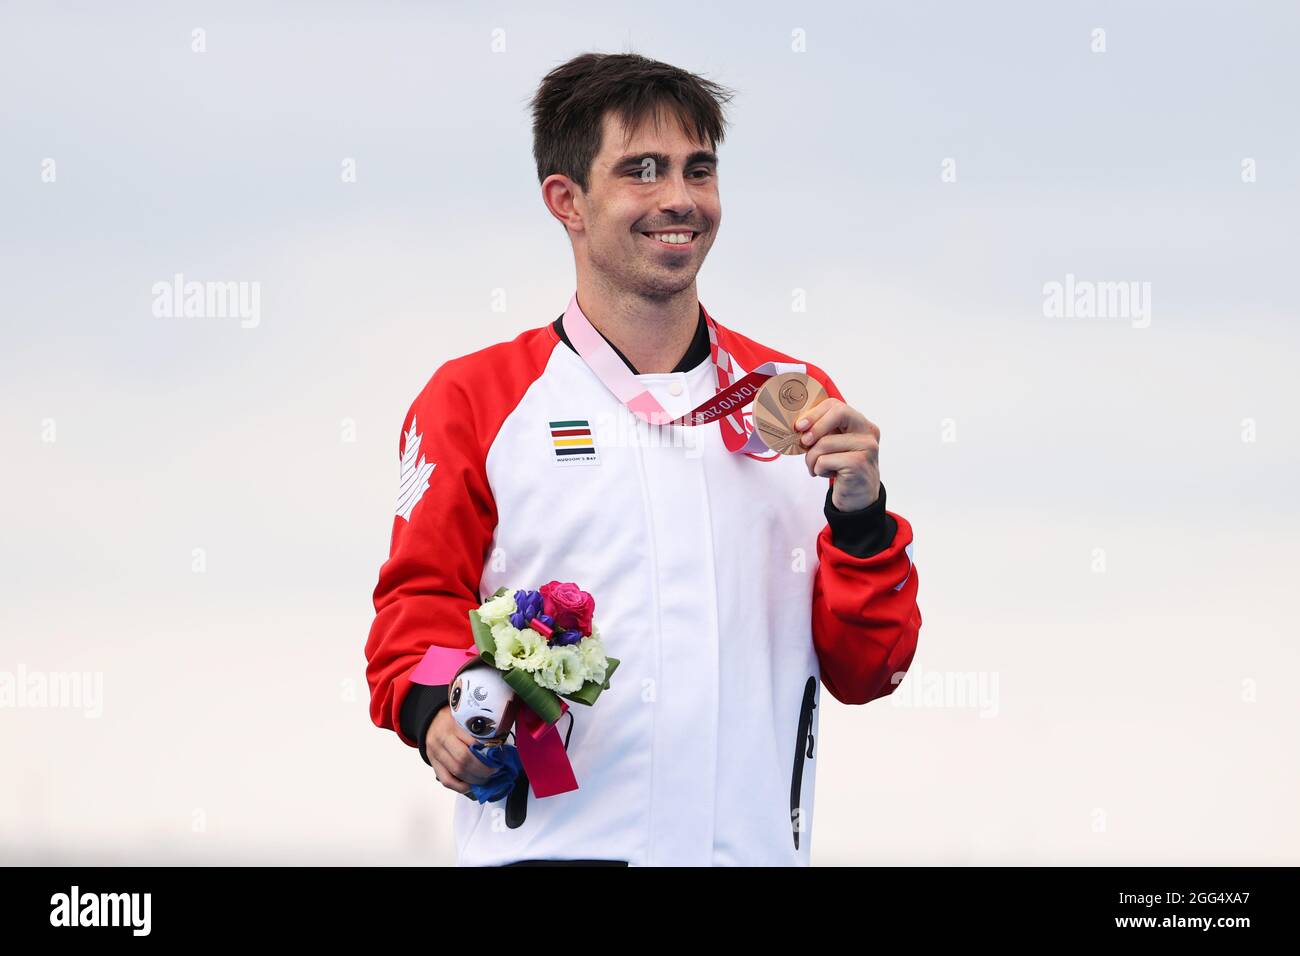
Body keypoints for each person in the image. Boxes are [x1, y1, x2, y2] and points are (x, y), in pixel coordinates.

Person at [364, 52, 921, 867]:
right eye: (643, 171)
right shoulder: (477, 398)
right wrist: (436, 714)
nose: (680, 200)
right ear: (568, 201)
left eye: (700, 170)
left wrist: (862, 519)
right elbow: (417, 607)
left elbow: (870, 668)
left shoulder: (795, 399)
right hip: (552, 853)